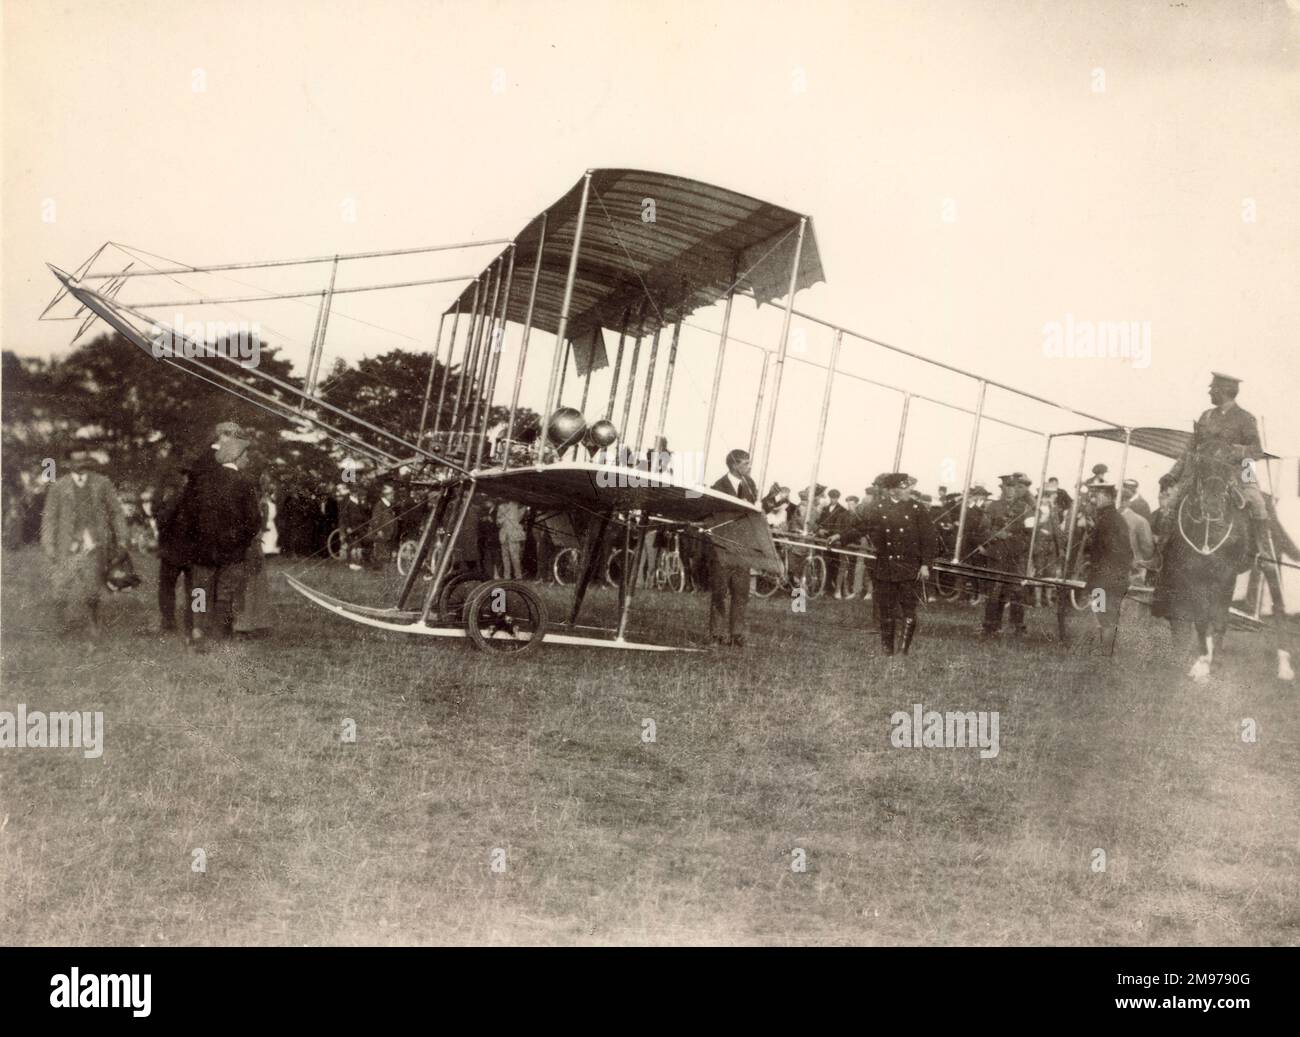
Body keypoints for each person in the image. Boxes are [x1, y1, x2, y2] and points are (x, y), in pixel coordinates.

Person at [172, 421, 263, 648]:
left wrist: (195, 539)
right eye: (245, 455)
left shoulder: (202, 481)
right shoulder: (244, 482)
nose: (248, 459)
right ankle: (220, 636)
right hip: (231, 551)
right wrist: (240, 541)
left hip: (202, 549)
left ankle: (197, 630)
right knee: (224, 594)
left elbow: (187, 514)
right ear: (236, 456)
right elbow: (253, 521)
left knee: (199, 592)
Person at [837, 472, 939, 655]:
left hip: (910, 567)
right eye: (904, 487)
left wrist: (925, 565)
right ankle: (887, 651)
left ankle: (903, 651)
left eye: (909, 487)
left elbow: (929, 538)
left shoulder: (917, 508)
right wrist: (840, 537)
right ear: (893, 490)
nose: (908, 490)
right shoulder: (879, 507)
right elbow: (863, 528)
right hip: (885, 567)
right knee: (886, 609)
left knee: (908, 610)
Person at [40, 447, 130, 640]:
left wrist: (122, 539)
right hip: (67, 545)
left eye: (84, 460)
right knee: (60, 588)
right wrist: (48, 544)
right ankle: (61, 625)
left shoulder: (102, 483)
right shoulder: (58, 486)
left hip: (94, 544)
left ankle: (94, 626)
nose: (81, 465)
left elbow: (116, 512)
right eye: (76, 461)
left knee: (92, 589)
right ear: (68, 463)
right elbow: (49, 518)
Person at [707, 448, 758, 647]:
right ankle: (716, 634)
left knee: (741, 592)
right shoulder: (718, 487)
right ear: (734, 465)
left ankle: (737, 634)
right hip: (723, 547)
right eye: (745, 463)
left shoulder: (750, 484)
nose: (749, 466)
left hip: (742, 547)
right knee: (719, 591)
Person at [1080, 480, 1133, 653]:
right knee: (1103, 611)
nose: (1094, 499)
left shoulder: (1108, 520)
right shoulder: (1111, 518)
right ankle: (1104, 648)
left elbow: (1111, 550)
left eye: (1098, 495)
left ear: (1108, 497)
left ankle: (1105, 650)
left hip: (1106, 576)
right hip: (1109, 575)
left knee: (1104, 612)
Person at [981, 472, 1035, 638]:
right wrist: (996, 534)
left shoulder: (1026, 509)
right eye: (1007, 487)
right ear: (1002, 488)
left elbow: (1030, 534)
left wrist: (1017, 544)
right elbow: (983, 529)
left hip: (1016, 555)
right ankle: (990, 626)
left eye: (1014, 487)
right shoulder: (993, 507)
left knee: (1016, 591)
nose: (1011, 491)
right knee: (994, 590)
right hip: (997, 554)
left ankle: (1018, 626)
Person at [154, 454, 202, 637]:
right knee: (177, 587)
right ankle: (175, 620)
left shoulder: (184, 497)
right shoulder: (178, 496)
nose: (186, 480)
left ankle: (185, 621)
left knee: (191, 588)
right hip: (177, 550)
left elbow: (161, 520)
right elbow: (161, 520)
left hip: (185, 550)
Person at [496, 499, 528, 579]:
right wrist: (501, 521)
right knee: (505, 557)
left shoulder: (515, 505)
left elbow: (519, 517)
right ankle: (507, 576)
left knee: (515, 557)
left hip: (513, 535)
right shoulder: (501, 507)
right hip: (504, 536)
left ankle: (518, 576)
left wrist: (524, 508)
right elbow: (498, 522)